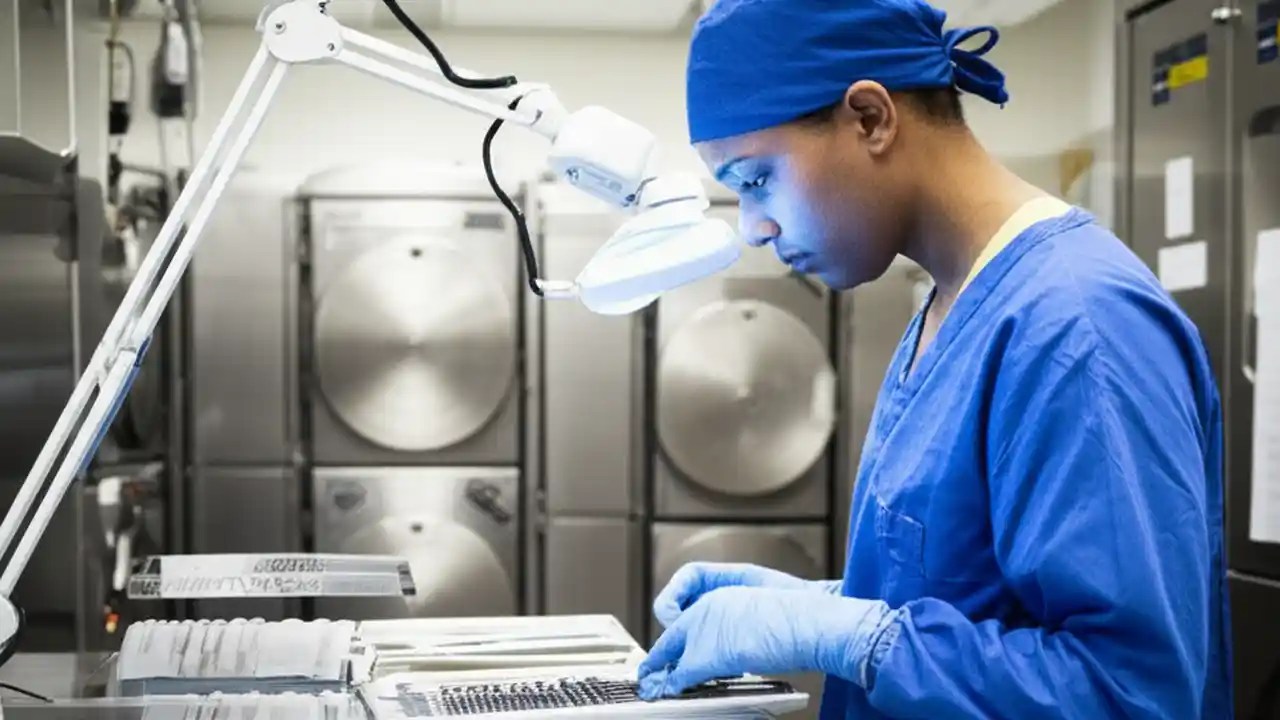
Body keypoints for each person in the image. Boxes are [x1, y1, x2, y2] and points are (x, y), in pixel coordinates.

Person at [637, 0, 1234, 718]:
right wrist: (818, 607)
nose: (754, 228)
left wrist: (851, 635)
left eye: (756, 179)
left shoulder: (1077, 325)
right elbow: (969, 596)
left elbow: (1126, 693)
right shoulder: (952, 302)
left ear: (870, 118)